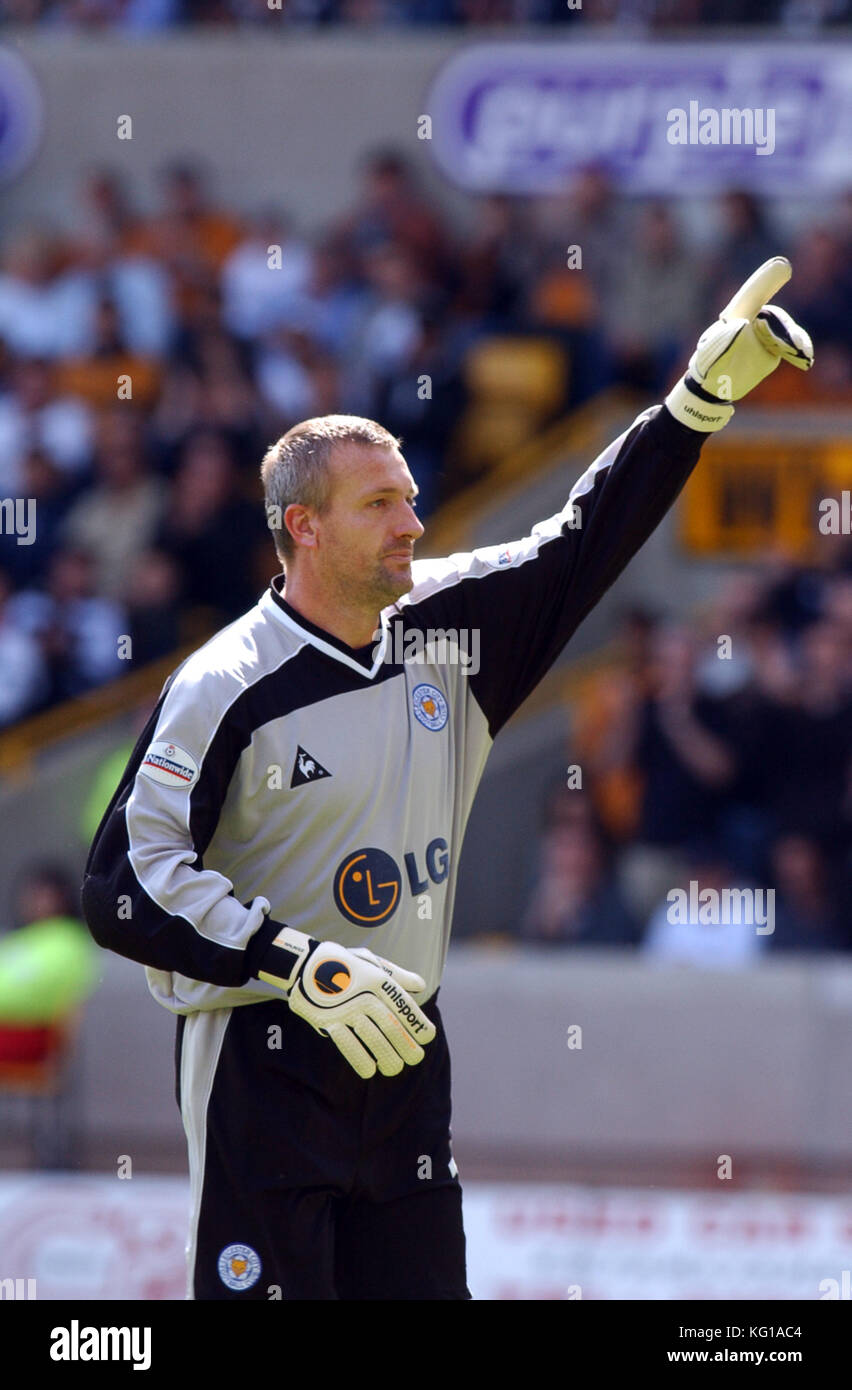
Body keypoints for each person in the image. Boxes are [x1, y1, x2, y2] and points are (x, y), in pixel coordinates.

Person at [80, 260, 813, 1300]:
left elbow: (579, 541)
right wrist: (295, 962)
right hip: (267, 1050)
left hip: (406, 1052)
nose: (413, 525)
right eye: (381, 504)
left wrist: (693, 408)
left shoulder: (452, 629)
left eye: (412, 499)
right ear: (304, 527)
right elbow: (123, 882)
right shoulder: (222, 684)